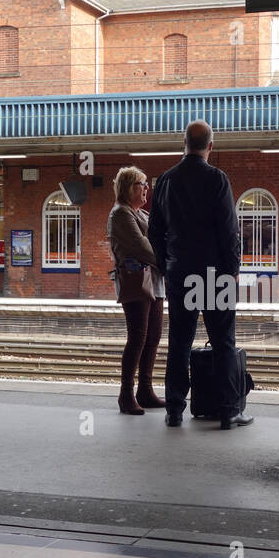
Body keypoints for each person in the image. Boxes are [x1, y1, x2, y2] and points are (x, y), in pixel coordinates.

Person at [148, 119, 251, 430]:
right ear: (210, 146)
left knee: (179, 340)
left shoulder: (165, 180)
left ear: (184, 144)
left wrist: (166, 264)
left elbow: (155, 231)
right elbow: (229, 231)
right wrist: (232, 271)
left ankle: (175, 411)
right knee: (223, 342)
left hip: (180, 272)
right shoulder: (217, 179)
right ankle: (228, 411)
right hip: (215, 273)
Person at [107, 166, 165, 415]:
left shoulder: (141, 213)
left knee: (153, 337)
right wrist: (169, 263)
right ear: (130, 187)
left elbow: (161, 239)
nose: (146, 189)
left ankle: (145, 390)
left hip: (153, 282)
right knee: (138, 337)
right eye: (142, 184)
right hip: (136, 283)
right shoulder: (121, 214)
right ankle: (126, 394)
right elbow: (143, 247)